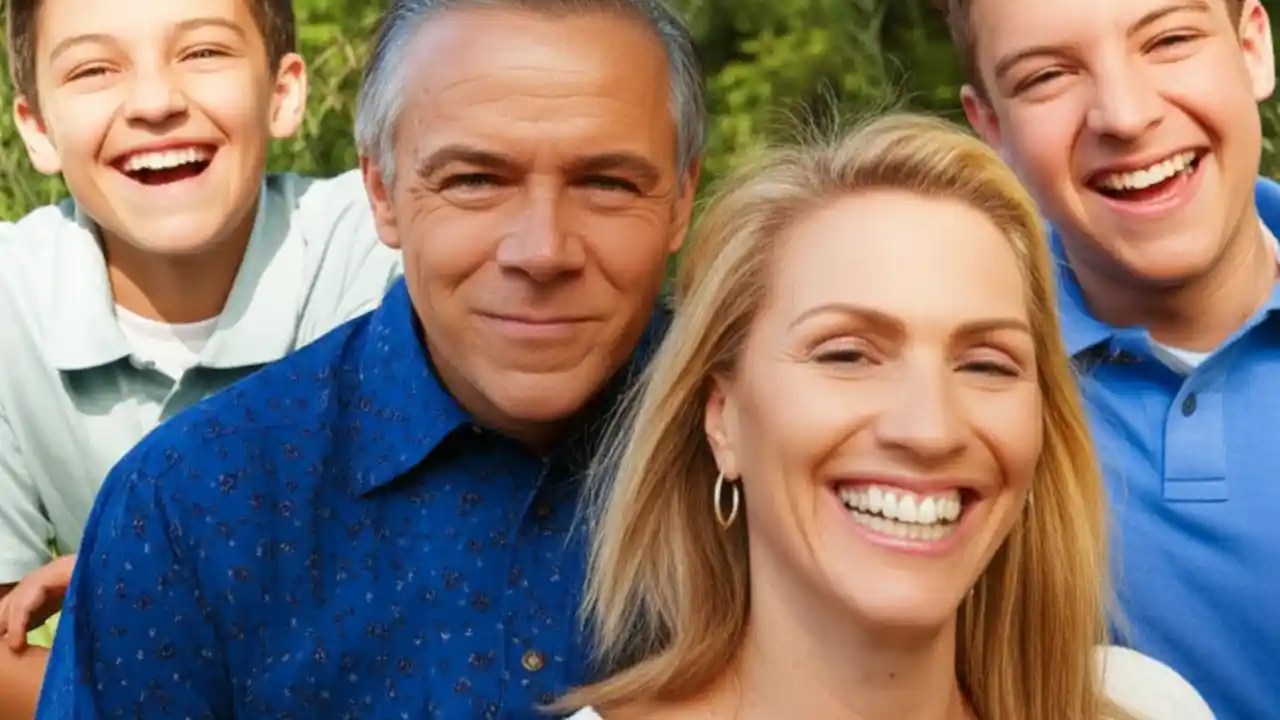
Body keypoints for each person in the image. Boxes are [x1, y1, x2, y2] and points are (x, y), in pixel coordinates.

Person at [35, 0, 703, 717]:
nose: (541, 250)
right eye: (475, 180)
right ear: (380, 192)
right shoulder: (186, 509)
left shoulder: (776, 456)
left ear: (681, 200)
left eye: (607, 184)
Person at [555, 115, 1212, 720]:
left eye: (986, 363)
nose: (929, 430)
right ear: (722, 420)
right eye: (847, 354)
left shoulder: (1151, 706)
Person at [0, 0, 401, 715]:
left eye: (204, 53)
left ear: (282, 94)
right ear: (37, 129)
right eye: (94, 68)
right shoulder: (11, 298)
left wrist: (141, 589)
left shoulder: (388, 254)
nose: (156, 102)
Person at [951, 0, 1277, 715]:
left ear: (1253, 46)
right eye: (1046, 77)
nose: (1124, 116)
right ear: (993, 128)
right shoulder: (945, 387)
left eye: (1169, 39)